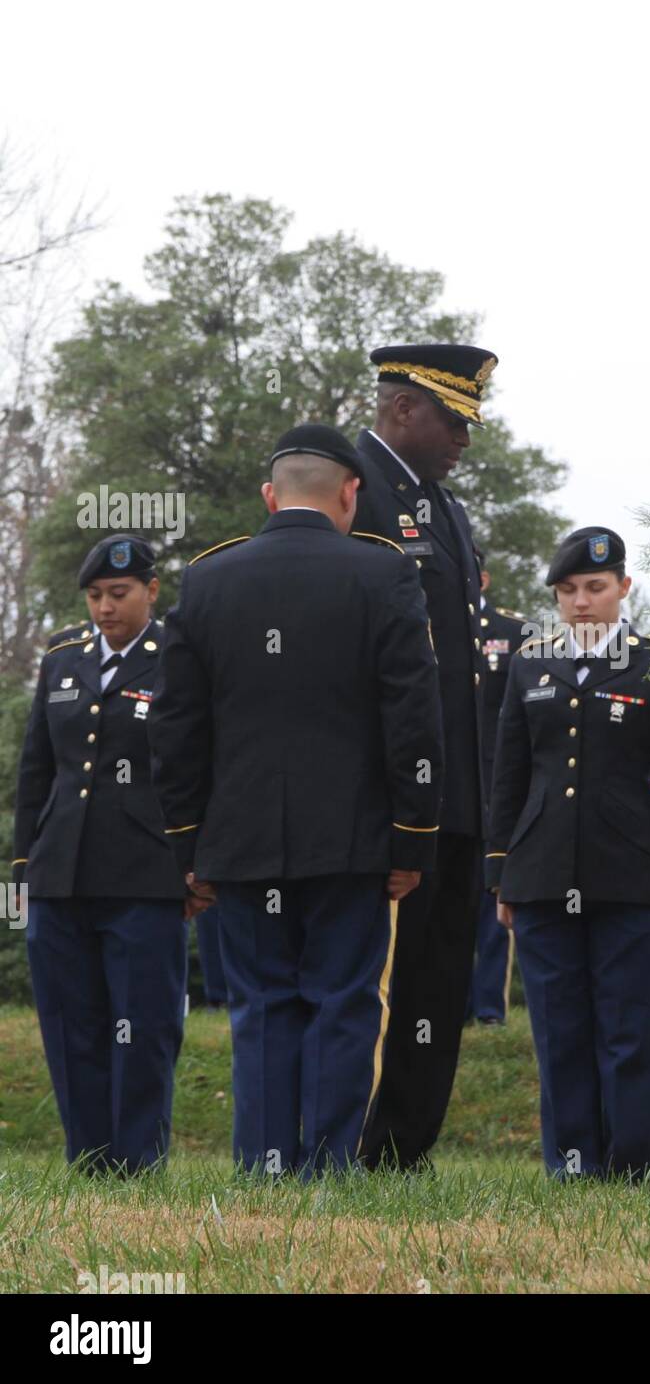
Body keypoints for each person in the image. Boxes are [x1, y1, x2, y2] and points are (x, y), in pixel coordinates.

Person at [149, 424, 444, 1176]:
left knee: (260, 1008)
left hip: (239, 840)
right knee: (344, 1003)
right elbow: (412, 718)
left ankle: (265, 1165)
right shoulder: (383, 575)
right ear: (350, 494)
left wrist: (188, 844)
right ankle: (327, 1168)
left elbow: (176, 727)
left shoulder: (209, 579)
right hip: (352, 840)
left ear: (268, 495)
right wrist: (413, 838)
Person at [487, 527, 650, 1185]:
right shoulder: (529, 663)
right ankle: (572, 1165)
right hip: (540, 873)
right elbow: (509, 774)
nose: (580, 602)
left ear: (622, 589)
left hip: (629, 874)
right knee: (559, 1030)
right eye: (567, 591)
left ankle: (632, 1166)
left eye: (593, 588)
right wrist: (499, 874)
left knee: (629, 1029)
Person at [352, 343, 494, 1171]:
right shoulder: (350, 491)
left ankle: (406, 1146)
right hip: (388, 794)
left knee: (438, 982)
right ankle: (360, 1139)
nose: (464, 439)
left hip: (455, 792)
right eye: (453, 419)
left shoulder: (444, 506)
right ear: (403, 407)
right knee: (380, 983)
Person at [13, 535, 187, 1173]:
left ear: (151, 590)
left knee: (142, 1026)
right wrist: (22, 874)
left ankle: (138, 1162)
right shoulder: (62, 657)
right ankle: (88, 1160)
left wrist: (193, 862)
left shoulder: (177, 657)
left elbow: (194, 767)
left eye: (118, 594)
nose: (105, 609)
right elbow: (37, 773)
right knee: (70, 1025)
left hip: (144, 873)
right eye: (94, 596)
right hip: (60, 873)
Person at [467, 549, 528, 1026]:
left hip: (494, 789)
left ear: (483, 579)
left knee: (493, 900)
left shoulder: (517, 634)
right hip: (436, 793)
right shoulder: (415, 626)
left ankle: (488, 1010)